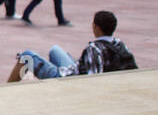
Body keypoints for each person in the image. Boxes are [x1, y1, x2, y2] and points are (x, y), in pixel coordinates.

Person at [8, 10, 138, 81]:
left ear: (96, 27)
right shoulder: (120, 44)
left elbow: (92, 80)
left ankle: (5, 91)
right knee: (55, 50)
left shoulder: (94, 49)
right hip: (76, 70)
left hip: (68, 80)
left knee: (27, 56)